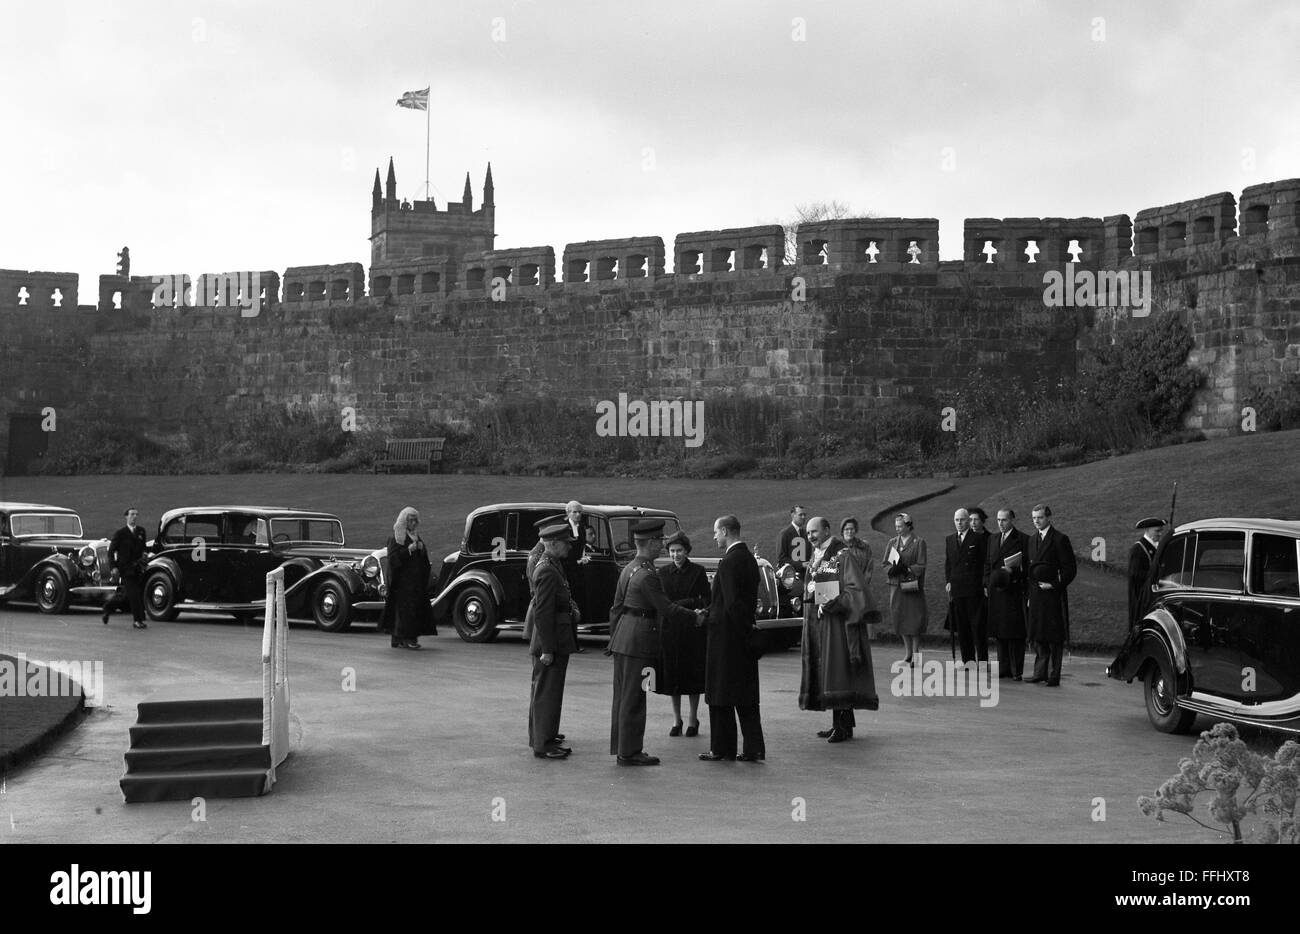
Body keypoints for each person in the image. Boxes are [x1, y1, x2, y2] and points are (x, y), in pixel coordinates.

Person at [607, 519, 696, 766]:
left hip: (625, 639)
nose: (663, 545)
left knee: (625, 696)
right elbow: (666, 608)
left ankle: (624, 747)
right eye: (660, 540)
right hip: (639, 642)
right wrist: (696, 617)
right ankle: (630, 751)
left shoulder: (630, 569)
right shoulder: (647, 575)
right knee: (635, 697)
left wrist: (614, 639)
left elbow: (616, 608)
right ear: (651, 543)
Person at [799, 517, 879, 743]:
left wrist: (833, 603)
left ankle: (842, 726)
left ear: (826, 530)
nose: (810, 536)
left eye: (814, 532)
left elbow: (855, 589)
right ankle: (841, 724)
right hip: (820, 623)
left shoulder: (842, 555)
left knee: (838, 671)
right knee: (830, 671)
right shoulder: (817, 555)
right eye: (808, 533)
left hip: (838, 624)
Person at [699, 515, 766, 763]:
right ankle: (753, 748)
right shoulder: (749, 559)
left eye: (716, 532)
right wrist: (748, 629)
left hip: (726, 639)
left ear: (726, 531)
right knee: (746, 697)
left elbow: (730, 603)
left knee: (719, 695)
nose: (714, 537)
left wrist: (711, 616)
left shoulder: (728, 562)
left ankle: (721, 748)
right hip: (744, 635)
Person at [527, 519, 579, 760]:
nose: (569, 546)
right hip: (551, 640)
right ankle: (542, 744)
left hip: (556, 637)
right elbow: (543, 612)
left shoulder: (552, 564)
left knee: (550, 691)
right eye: (566, 543)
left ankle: (545, 736)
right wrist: (547, 649)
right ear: (554, 543)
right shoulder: (547, 570)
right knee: (546, 692)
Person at [656, 530, 710, 737]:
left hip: (691, 631)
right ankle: (676, 719)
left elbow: (706, 599)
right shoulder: (663, 573)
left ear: (686, 551)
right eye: (672, 551)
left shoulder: (698, 571)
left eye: (679, 550)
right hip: (670, 630)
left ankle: (692, 718)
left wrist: (687, 603)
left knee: (692, 676)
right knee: (673, 676)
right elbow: (661, 602)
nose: (675, 555)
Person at [1026, 504, 1077, 687]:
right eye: (1034, 518)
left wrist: (1054, 585)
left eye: (1040, 517)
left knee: (1054, 637)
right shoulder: (1032, 540)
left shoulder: (1060, 539)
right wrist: (1030, 595)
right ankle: (1040, 672)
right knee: (1038, 635)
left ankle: (1054, 675)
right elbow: (1030, 570)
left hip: (1053, 595)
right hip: (1036, 594)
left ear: (1048, 517)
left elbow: (1070, 569)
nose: (1036, 521)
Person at [985, 507, 1029, 680]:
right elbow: (987, 563)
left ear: (1012, 520)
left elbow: (1027, 567)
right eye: (998, 520)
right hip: (996, 590)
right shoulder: (993, 539)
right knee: (1000, 632)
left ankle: (1016, 670)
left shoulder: (1023, 539)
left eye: (1004, 520)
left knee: (1015, 633)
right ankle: (1003, 668)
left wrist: (1014, 572)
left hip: (1013, 591)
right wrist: (987, 582)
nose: (1000, 523)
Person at [382, 506, 435, 649]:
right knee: (405, 611)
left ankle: (400, 638)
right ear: (404, 521)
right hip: (402, 583)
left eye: (415, 520)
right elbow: (393, 559)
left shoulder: (415, 536)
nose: (414, 523)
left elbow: (423, 559)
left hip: (415, 582)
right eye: (411, 520)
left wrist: (422, 549)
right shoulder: (396, 537)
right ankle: (408, 639)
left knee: (411, 610)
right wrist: (408, 551)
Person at [945, 508, 988, 666]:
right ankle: (968, 661)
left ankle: (982, 662)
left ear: (968, 521)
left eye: (962, 520)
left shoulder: (978, 538)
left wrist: (984, 583)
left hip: (974, 589)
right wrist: (948, 581)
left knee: (977, 627)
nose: (959, 523)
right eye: (956, 520)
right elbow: (948, 564)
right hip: (957, 589)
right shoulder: (950, 539)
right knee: (962, 628)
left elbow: (984, 563)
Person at [883, 513, 927, 664]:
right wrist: (892, 570)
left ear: (908, 525)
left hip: (912, 586)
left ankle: (916, 654)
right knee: (900, 618)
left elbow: (921, 565)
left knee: (914, 620)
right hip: (896, 587)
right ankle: (908, 654)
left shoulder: (919, 542)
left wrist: (907, 569)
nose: (897, 529)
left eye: (900, 526)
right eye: (896, 526)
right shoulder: (892, 542)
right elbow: (885, 564)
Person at [102, 507, 149, 629]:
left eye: (136, 514)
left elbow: (143, 548)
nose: (134, 517)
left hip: (138, 568)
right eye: (132, 514)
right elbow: (111, 551)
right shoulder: (121, 533)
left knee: (126, 595)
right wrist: (113, 567)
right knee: (134, 594)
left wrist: (145, 555)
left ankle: (108, 607)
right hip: (125, 569)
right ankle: (138, 620)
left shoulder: (141, 531)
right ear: (126, 517)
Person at [839, 516, 877, 638]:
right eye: (846, 529)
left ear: (855, 530)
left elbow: (869, 567)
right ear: (842, 531)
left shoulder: (864, 546)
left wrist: (862, 585)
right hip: (845, 591)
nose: (849, 531)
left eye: (852, 529)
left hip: (862, 588)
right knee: (848, 624)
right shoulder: (838, 547)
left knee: (862, 621)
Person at [1128, 517, 1166, 628]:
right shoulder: (1138, 549)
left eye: (1161, 531)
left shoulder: (1157, 547)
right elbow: (1136, 575)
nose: (1160, 534)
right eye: (1157, 531)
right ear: (1148, 530)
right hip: (1143, 597)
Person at [777, 505, 809, 573]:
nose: (803, 517)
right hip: (791, 575)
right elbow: (781, 559)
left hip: (806, 574)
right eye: (800, 515)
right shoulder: (784, 534)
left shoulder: (807, 533)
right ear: (793, 515)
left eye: (804, 515)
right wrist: (800, 565)